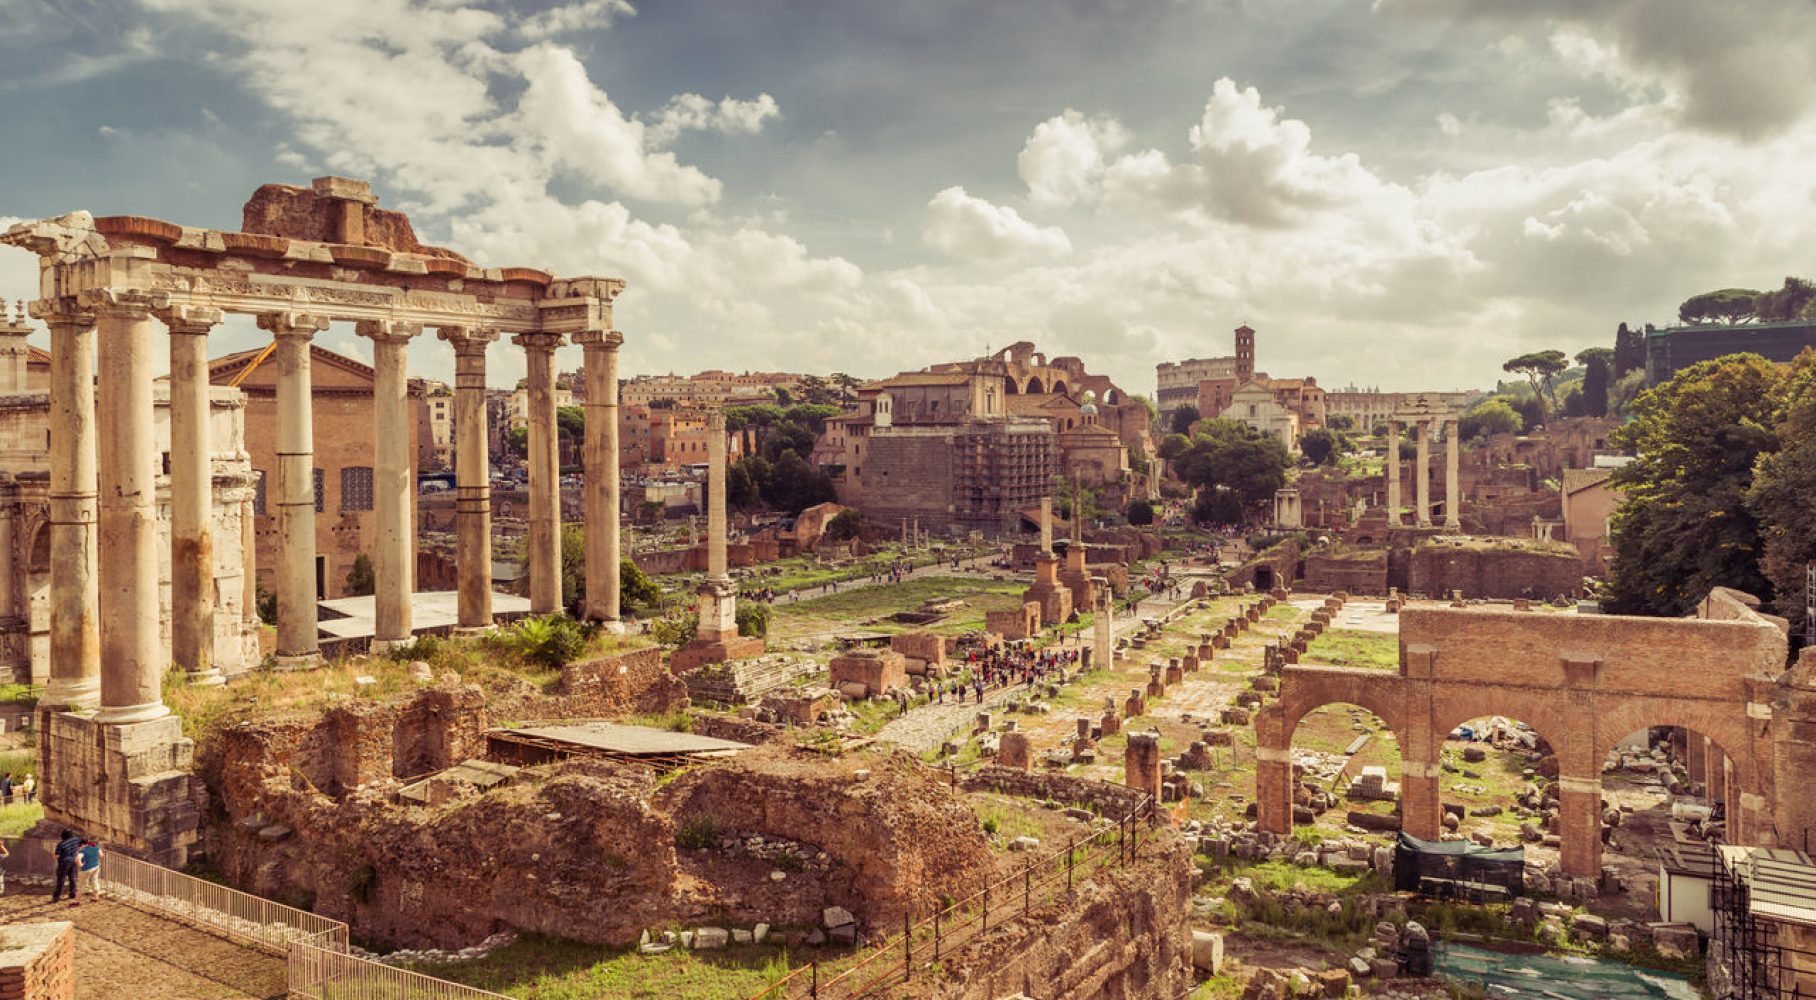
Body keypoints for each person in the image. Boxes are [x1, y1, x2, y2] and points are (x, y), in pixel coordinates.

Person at [51, 829, 80, 904]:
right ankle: (73, 893)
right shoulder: (76, 840)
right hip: (73, 860)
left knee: (61, 880)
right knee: (72, 878)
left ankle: (56, 897)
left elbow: (56, 856)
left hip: (64, 863)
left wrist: (53, 855)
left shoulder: (61, 844)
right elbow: (79, 847)